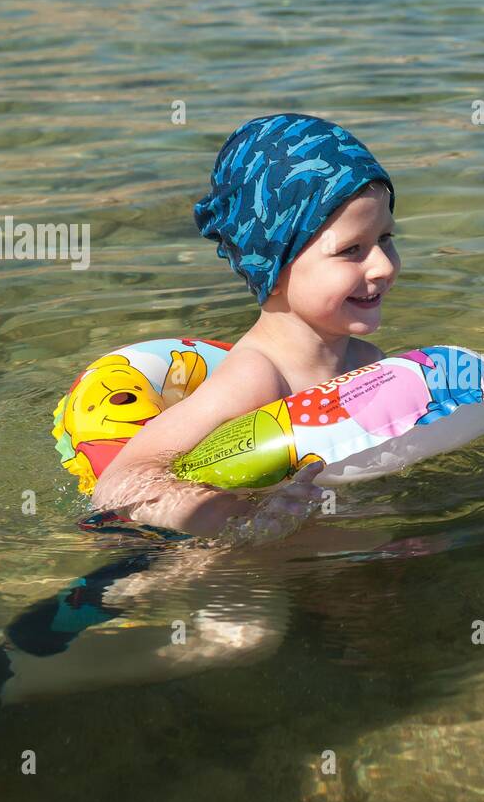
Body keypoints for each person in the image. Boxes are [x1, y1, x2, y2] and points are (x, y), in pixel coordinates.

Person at [93, 113, 400, 538]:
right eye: (351, 250)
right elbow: (120, 484)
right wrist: (237, 519)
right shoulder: (258, 376)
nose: (383, 265)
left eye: (386, 238)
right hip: (235, 559)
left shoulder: (367, 362)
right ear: (273, 263)